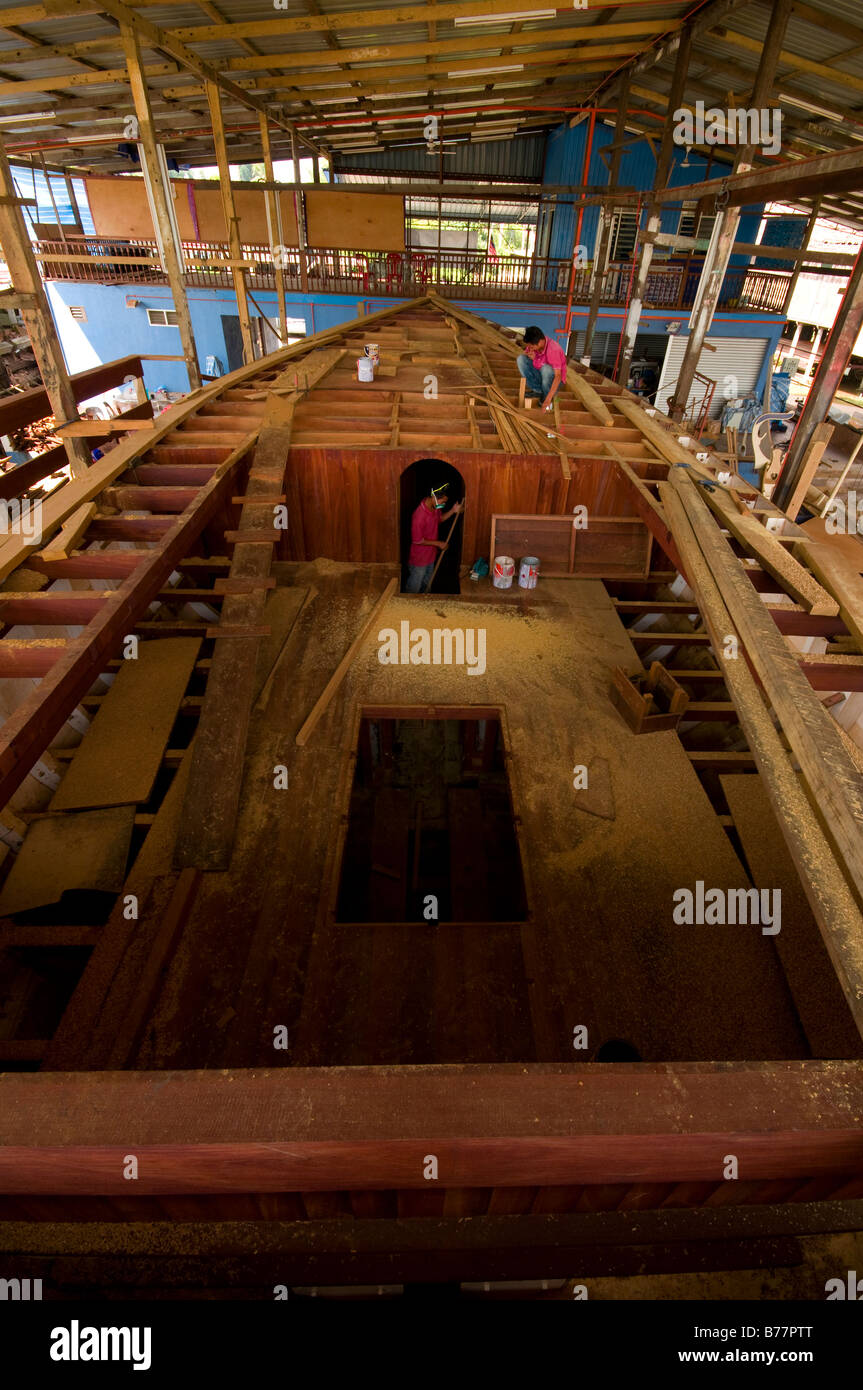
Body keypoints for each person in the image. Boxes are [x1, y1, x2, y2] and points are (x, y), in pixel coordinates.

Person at [406, 483, 463, 594]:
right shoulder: (419, 516)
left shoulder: (435, 507)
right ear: (434, 497)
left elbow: (439, 519)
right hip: (419, 559)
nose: (443, 504)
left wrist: (453, 510)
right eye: (443, 502)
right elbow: (418, 540)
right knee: (414, 588)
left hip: (430, 556)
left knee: (427, 584)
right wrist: (438, 544)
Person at [517, 326, 567, 411]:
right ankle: (537, 391)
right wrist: (532, 357)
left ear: (540, 342)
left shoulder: (553, 349)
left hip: (554, 381)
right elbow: (531, 361)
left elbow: (558, 376)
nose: (529, 347)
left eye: (531, 346)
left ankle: (545, 396)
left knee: (546, 369)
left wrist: (548, 399)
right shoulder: (533, 345)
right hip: (542, 375)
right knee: (521, 359)